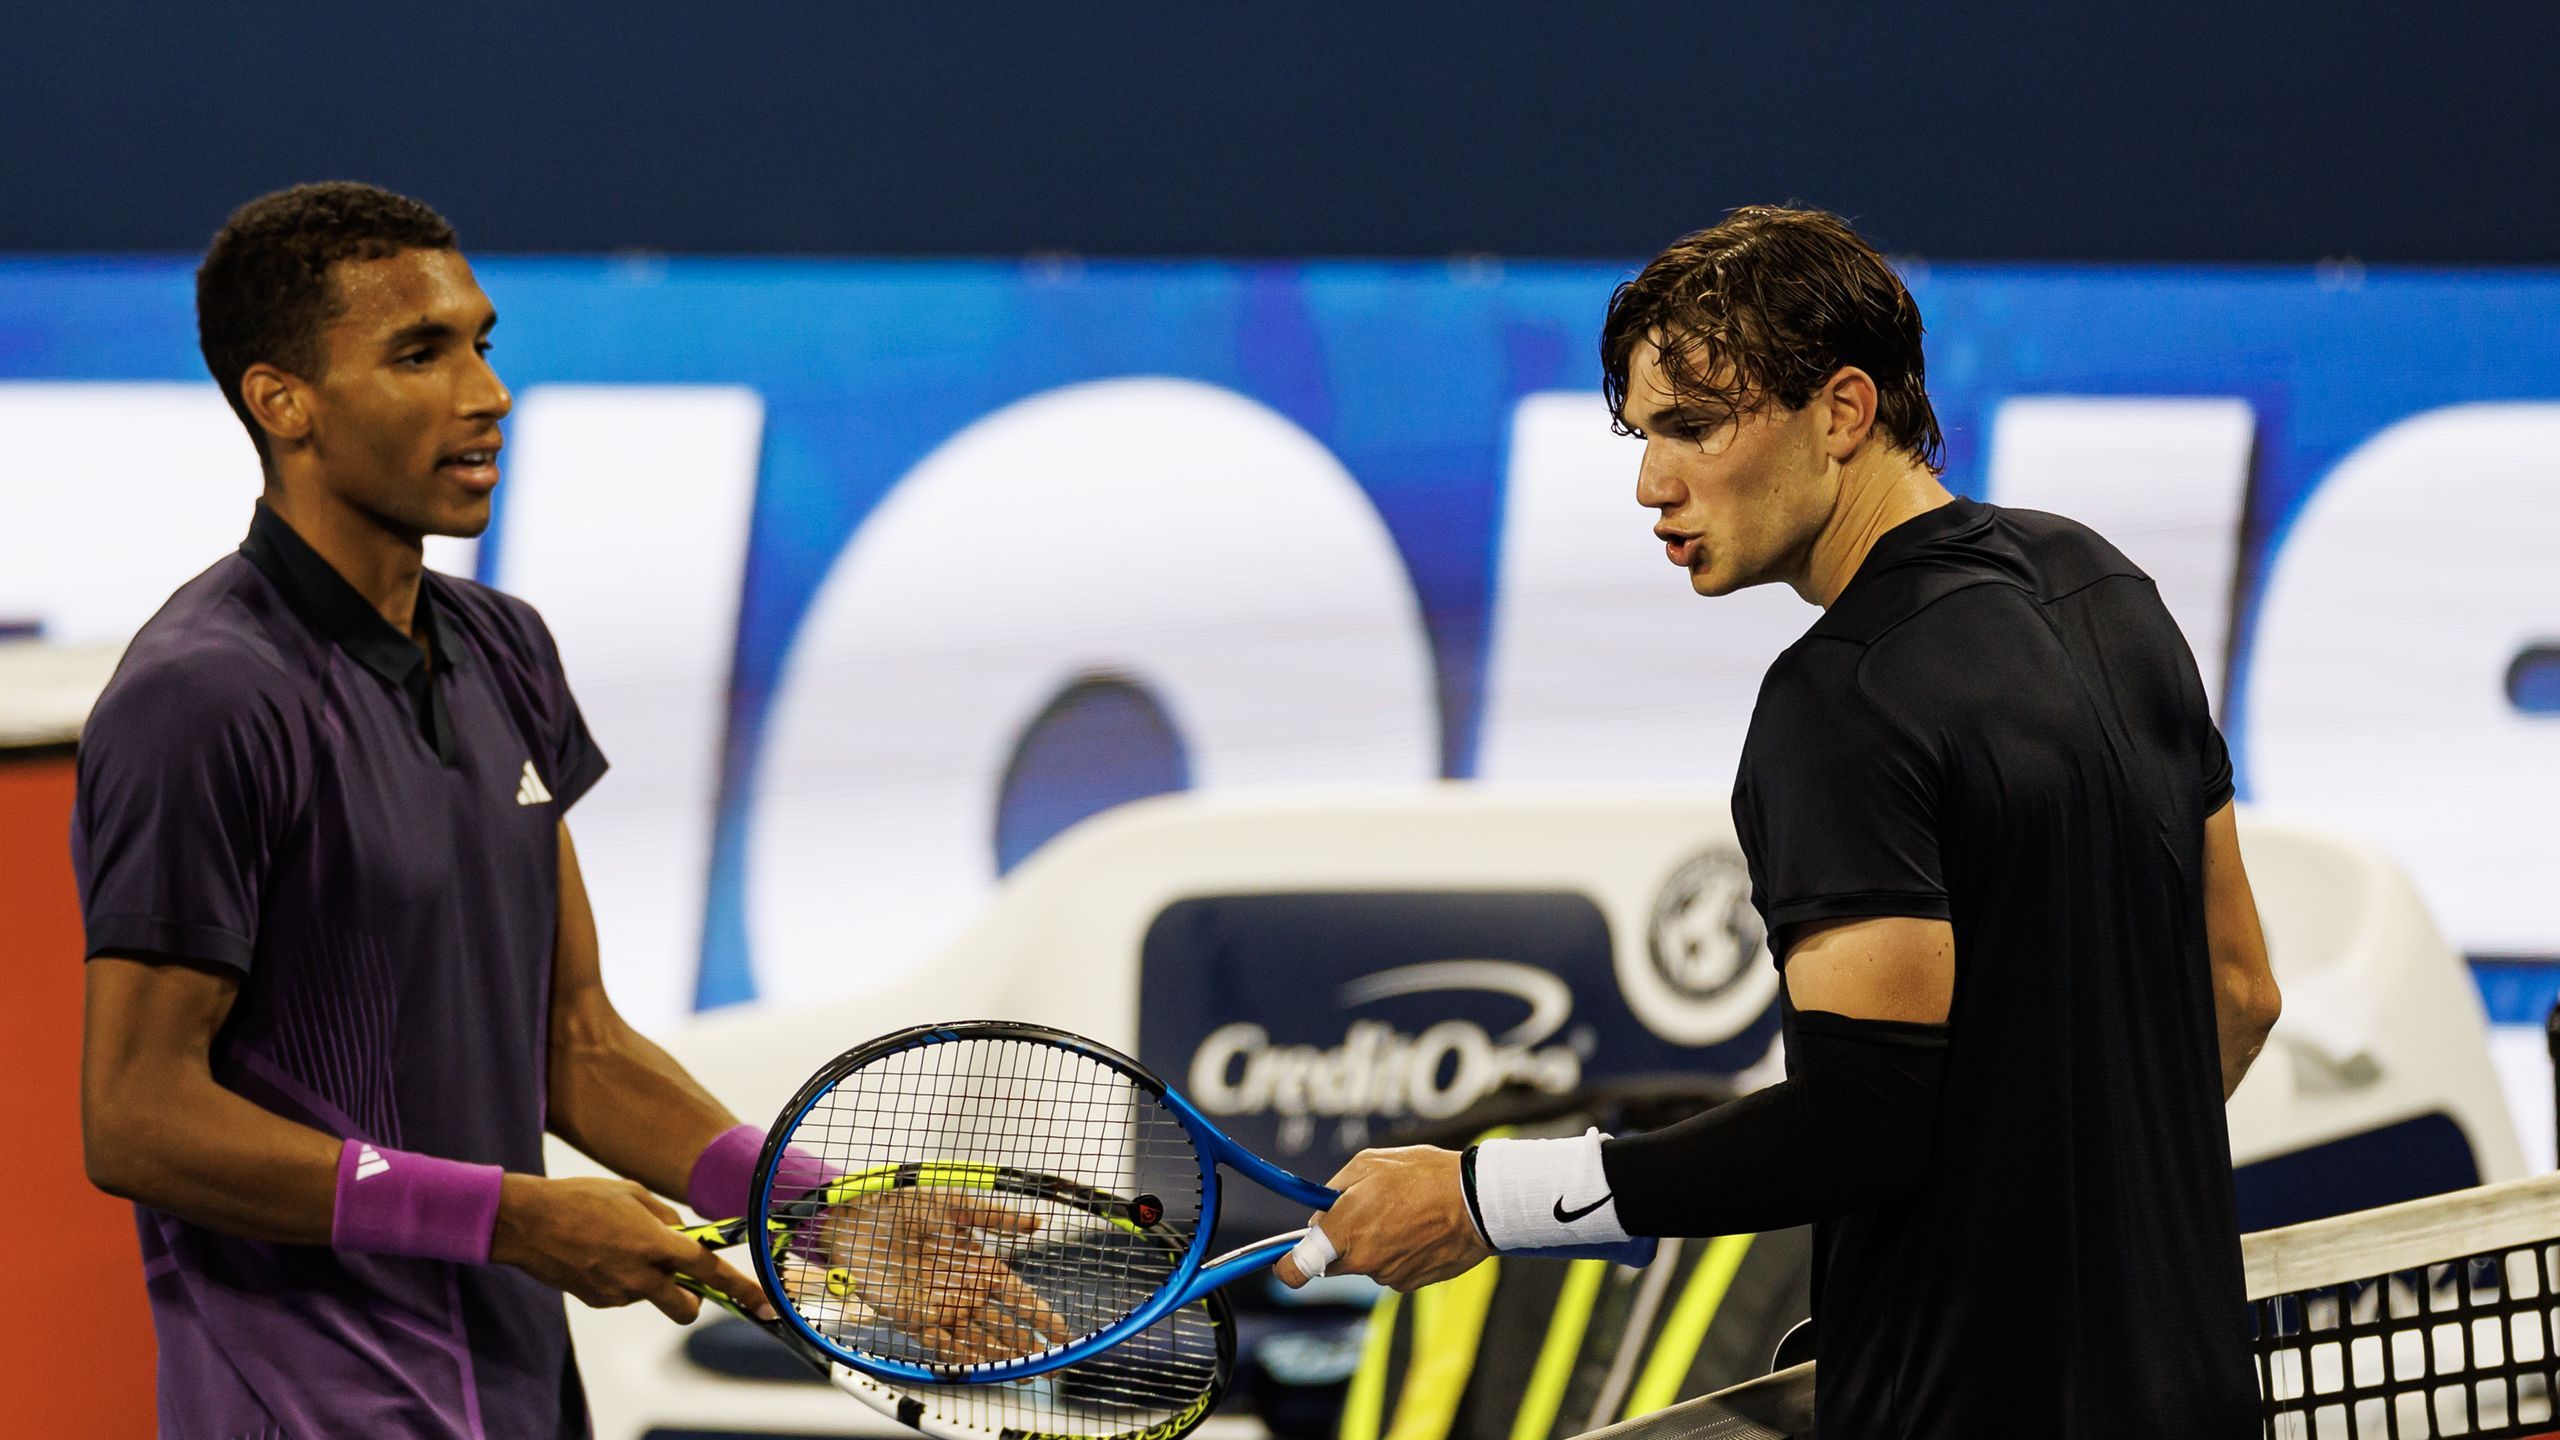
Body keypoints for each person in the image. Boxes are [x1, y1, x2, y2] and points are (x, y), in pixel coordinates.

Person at [1277, 206, 2283, 1437]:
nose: (1654, 485)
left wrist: (1487, 1195)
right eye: (1643, 436)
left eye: (1694, 429)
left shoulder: (1839, 700)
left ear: (1844, 411)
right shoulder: (2106, 591)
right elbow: (2239, 994)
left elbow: (1866, 1120)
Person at [73, 181, 793, 1438]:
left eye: (482, 341)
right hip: (307, 1401)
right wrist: (510, 1215)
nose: (486, 394)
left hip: (512, 1384)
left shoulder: (508, 649)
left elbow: (573, 1039)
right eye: (419, 353)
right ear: (280, 401)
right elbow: (136, 1117)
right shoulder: (201, 697)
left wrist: (802, 1203)